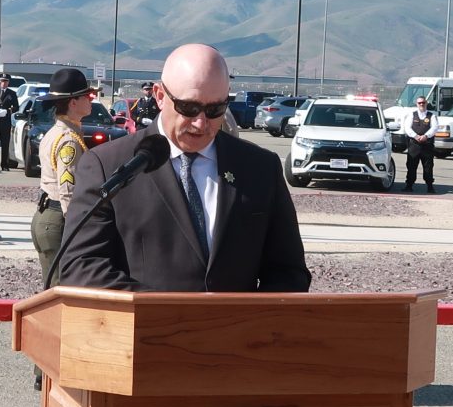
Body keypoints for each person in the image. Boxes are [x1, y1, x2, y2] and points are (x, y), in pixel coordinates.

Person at [58, 44, 310, 292]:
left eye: (215, 109)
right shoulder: (109, 165)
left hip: (237, 331)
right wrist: (166, 313)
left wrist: (249, 321)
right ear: (159, 96)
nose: (201, 123)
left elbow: (289, 272)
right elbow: (80, 265)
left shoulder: (259, 167)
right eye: (188, 108)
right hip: (145, 329)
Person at [33, 67, 97, 285]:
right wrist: (77, 227)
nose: (92, 99)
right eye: (87, 96)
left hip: (48, 216)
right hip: (58, 219)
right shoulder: (69, 140)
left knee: (54, 288)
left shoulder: (57, 132)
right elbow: (67, 189)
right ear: (73, 103)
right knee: (61, 289)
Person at [404, 96, 437, 193]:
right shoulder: (412, 115)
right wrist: (416, 136)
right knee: (411, 166)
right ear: (416, 104)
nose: (421, 104)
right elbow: (407, 128)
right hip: (414, 145)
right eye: (419, 103)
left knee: (428, 167)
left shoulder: (432, 116)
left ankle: (430, 186)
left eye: (423, 102)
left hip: (427, 146)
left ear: (426, 103)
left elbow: (434, 128)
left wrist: (426, 136)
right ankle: (409, 185)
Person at [0, 77, 21, 170]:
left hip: (5, 121)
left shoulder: (12, 93)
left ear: (8, 82)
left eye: (5, 81)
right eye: (2, 81)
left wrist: (8, 111)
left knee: (5, 144)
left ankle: (4, 164)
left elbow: (16, 107)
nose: (3, 83)